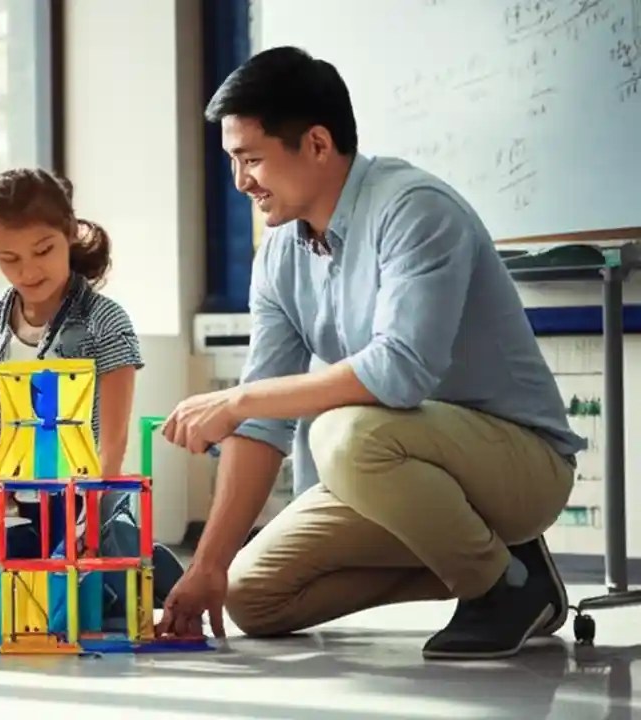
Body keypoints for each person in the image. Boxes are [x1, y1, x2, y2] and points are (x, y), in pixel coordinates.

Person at [156, 46, 585, 660]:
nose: (240, 181)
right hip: (393, 470)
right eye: (232, 161)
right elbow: (261, 426)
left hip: (519, 466)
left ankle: (497, 587)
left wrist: (239, 397)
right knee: (252, 598)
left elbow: (400, 371)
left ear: (318, 144)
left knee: (343, 434)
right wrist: (208, 564)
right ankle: (509, 565)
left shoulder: (415, 210)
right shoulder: (280, 257)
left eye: (251, 159)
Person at [0, 168, 185, 621]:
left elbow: (112, 440)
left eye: (43, 251)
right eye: (9, 259)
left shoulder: (104, 321)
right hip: (13, 497)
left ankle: (144, 566)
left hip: (81, 496)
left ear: (70, 233)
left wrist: (91, 511)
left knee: (86, 605)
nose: (28, 270)